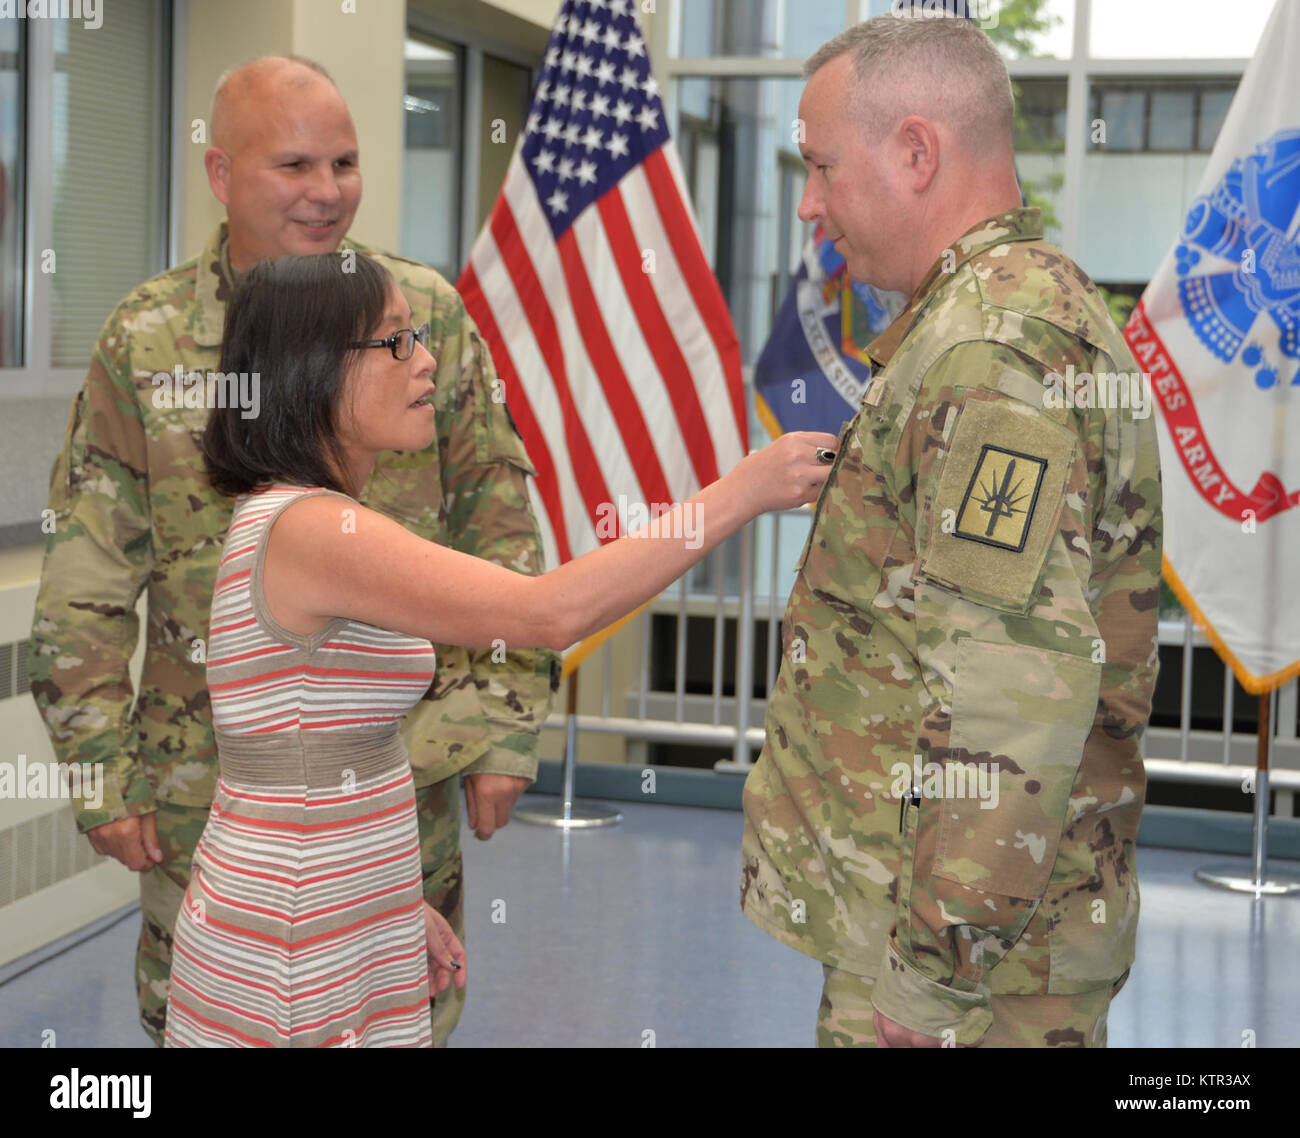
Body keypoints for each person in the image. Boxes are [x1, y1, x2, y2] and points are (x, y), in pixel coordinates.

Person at [159, 250, 837, 1046]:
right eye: (395, 342)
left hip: (342, 909)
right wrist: (743, 492)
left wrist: (386, 899)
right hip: (290, 940)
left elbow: (316, 752)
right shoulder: (310, 529)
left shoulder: (321, 521)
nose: (428, 359)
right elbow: (549, 614)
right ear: (312, 369)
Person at [29, 55, 555, 1047]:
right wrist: (100, 769)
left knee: (396, 1013)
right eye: (296, 165)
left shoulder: (421, 317)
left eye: (345, 162)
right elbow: (87, 575)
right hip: (206, 789)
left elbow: (501, 533)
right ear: (221, 176)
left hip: (396, 769)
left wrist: (503, 726)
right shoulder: (146, 341)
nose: (327, 192)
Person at [739, 14, 1163, 1048]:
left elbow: (1010, 690)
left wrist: (938, 970)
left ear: (917, 151)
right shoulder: (999, 315)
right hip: (968, 931)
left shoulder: (990, 347)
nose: (810, 203)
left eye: (821, 165)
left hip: (968, 965)